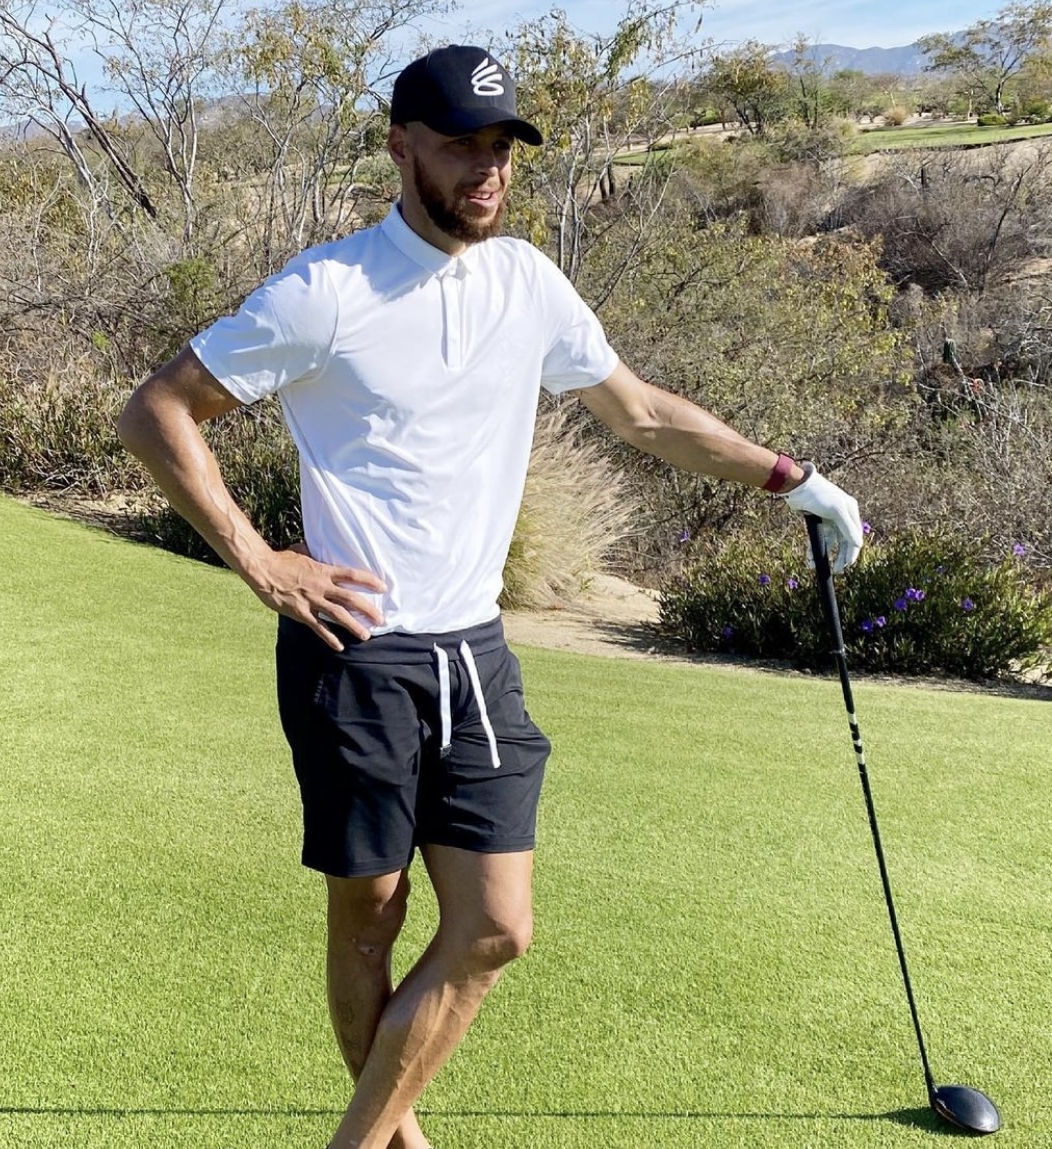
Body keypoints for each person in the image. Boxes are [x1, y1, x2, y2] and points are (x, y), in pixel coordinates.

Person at [117, 44, 864, 1149]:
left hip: (473, 652)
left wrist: (790, 478)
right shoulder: (326, 293)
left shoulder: (527, 283)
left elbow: (643, 413)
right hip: (353, 651)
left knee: (497, 928)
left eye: (502, 147)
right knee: (369, 918)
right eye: (462, 144)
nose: (486, 170)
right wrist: (259, 557)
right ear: (400, 146)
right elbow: (156, 413)